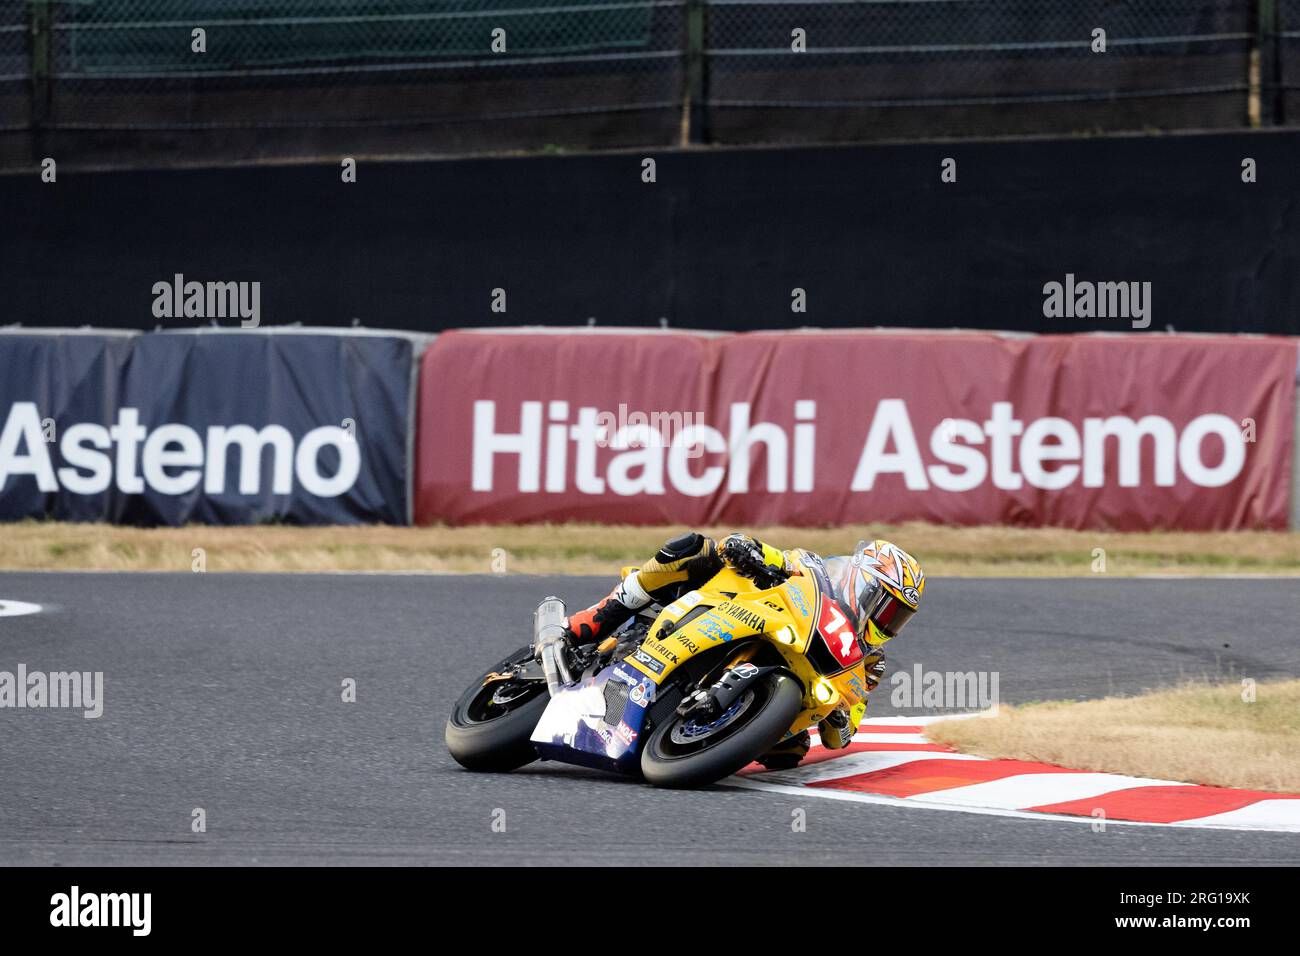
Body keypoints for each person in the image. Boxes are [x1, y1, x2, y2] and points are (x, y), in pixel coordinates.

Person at [559, 531, 925, 769]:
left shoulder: (867, 663)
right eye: (888, 610)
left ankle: (702, 737)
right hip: (745, 612)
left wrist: (840, 717)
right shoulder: (814, 569)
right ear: (863, 585)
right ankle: (591, 621)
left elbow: (841, 737)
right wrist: (746, 548)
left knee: (790, 751)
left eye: (899, 618)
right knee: (695, 550)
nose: (890, 623)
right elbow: (763, 550)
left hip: (789, 679)